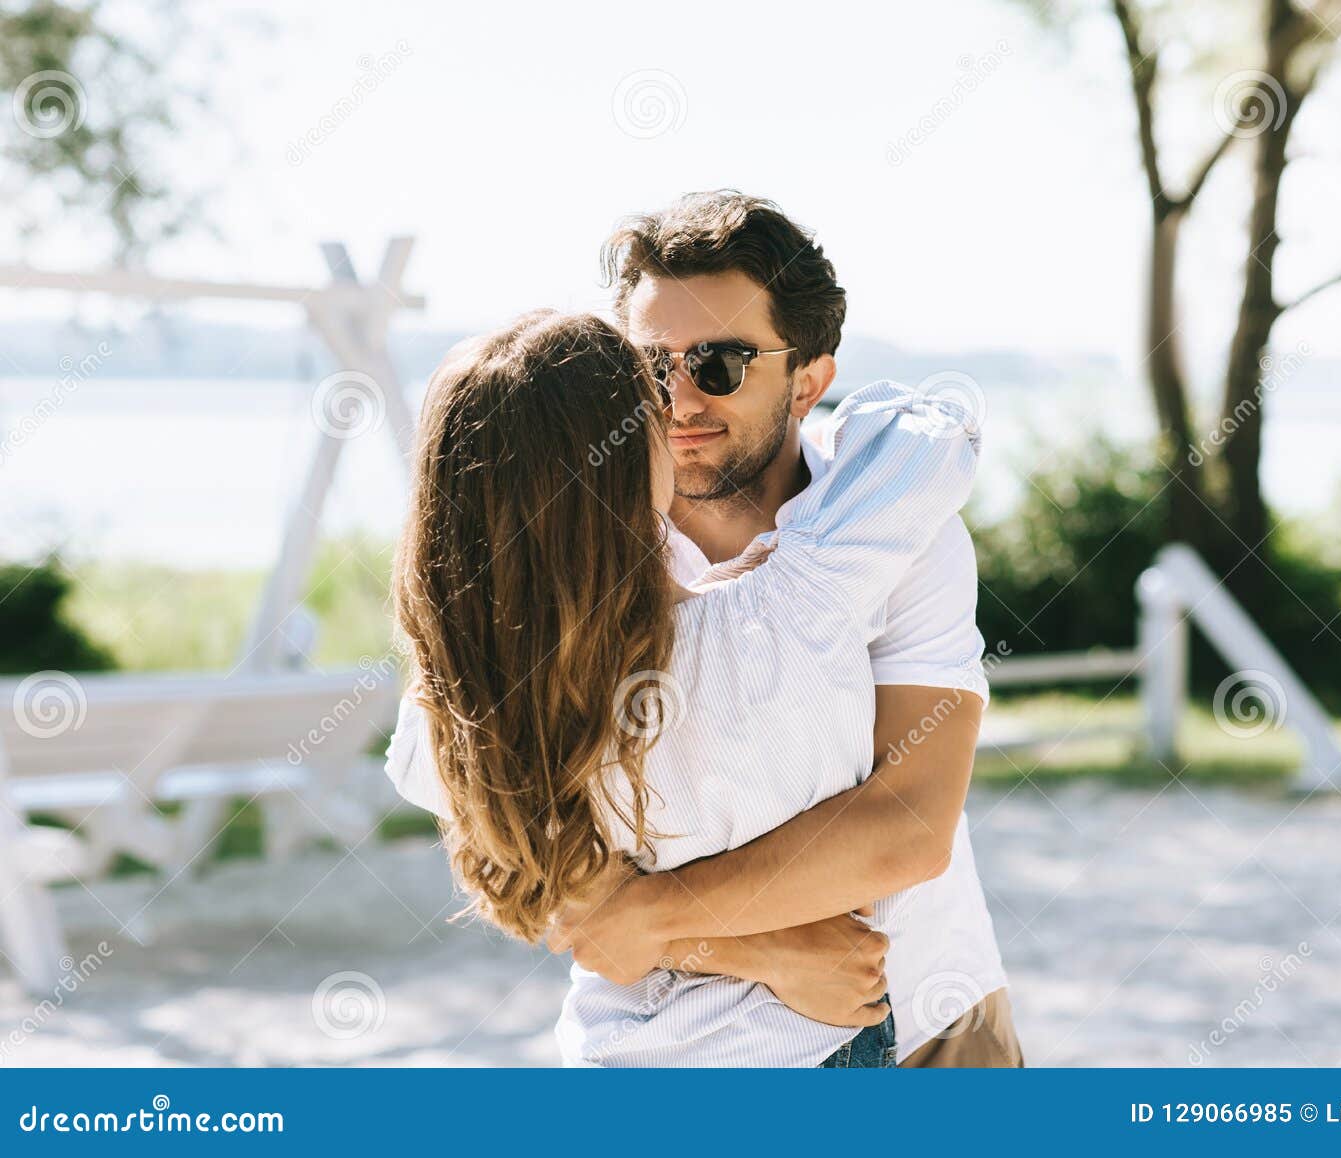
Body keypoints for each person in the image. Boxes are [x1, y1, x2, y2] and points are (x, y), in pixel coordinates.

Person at [390, 191, 1021, 1067]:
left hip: (930, 1015)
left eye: (719, 363)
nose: (678, 399)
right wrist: (756, 948)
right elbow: (522, 845)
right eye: (650, 368)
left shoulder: (892, 531)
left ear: (809, 380)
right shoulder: (571, 555)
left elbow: (908, 822)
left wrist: (651, 917)